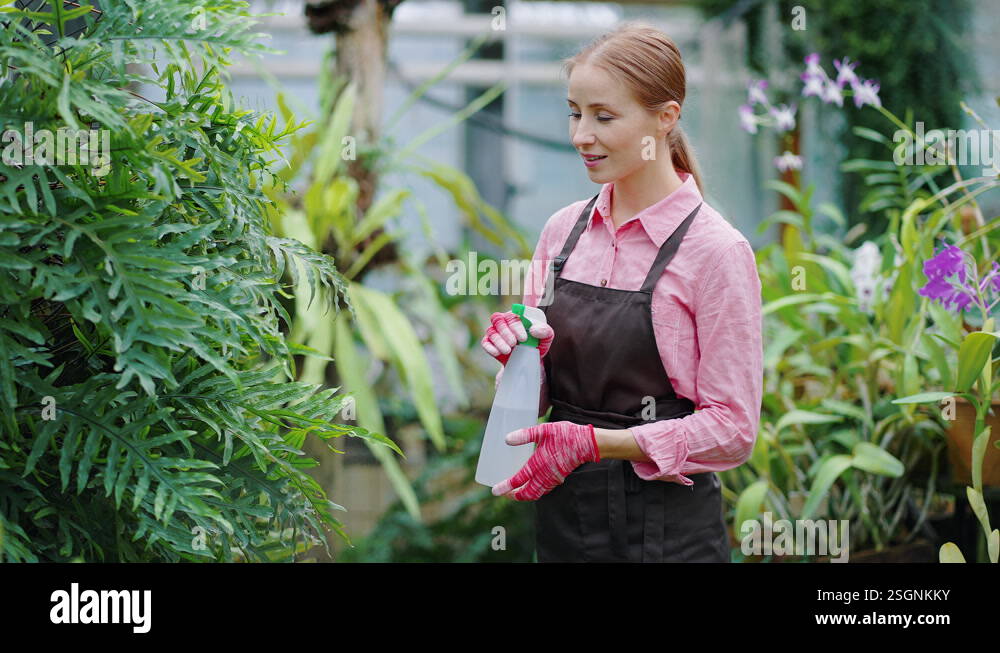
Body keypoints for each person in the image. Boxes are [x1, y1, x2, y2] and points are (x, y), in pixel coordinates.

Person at [479, 22, 763, 563]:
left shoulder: (716, 252)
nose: (580, 135)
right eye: (574, 112)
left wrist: (596, 444)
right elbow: (533, 399)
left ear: (666, 117)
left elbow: (733, 429)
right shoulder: (562, 232)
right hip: (566, 524)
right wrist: (522, 359)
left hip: (670, 537)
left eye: (603, 117)